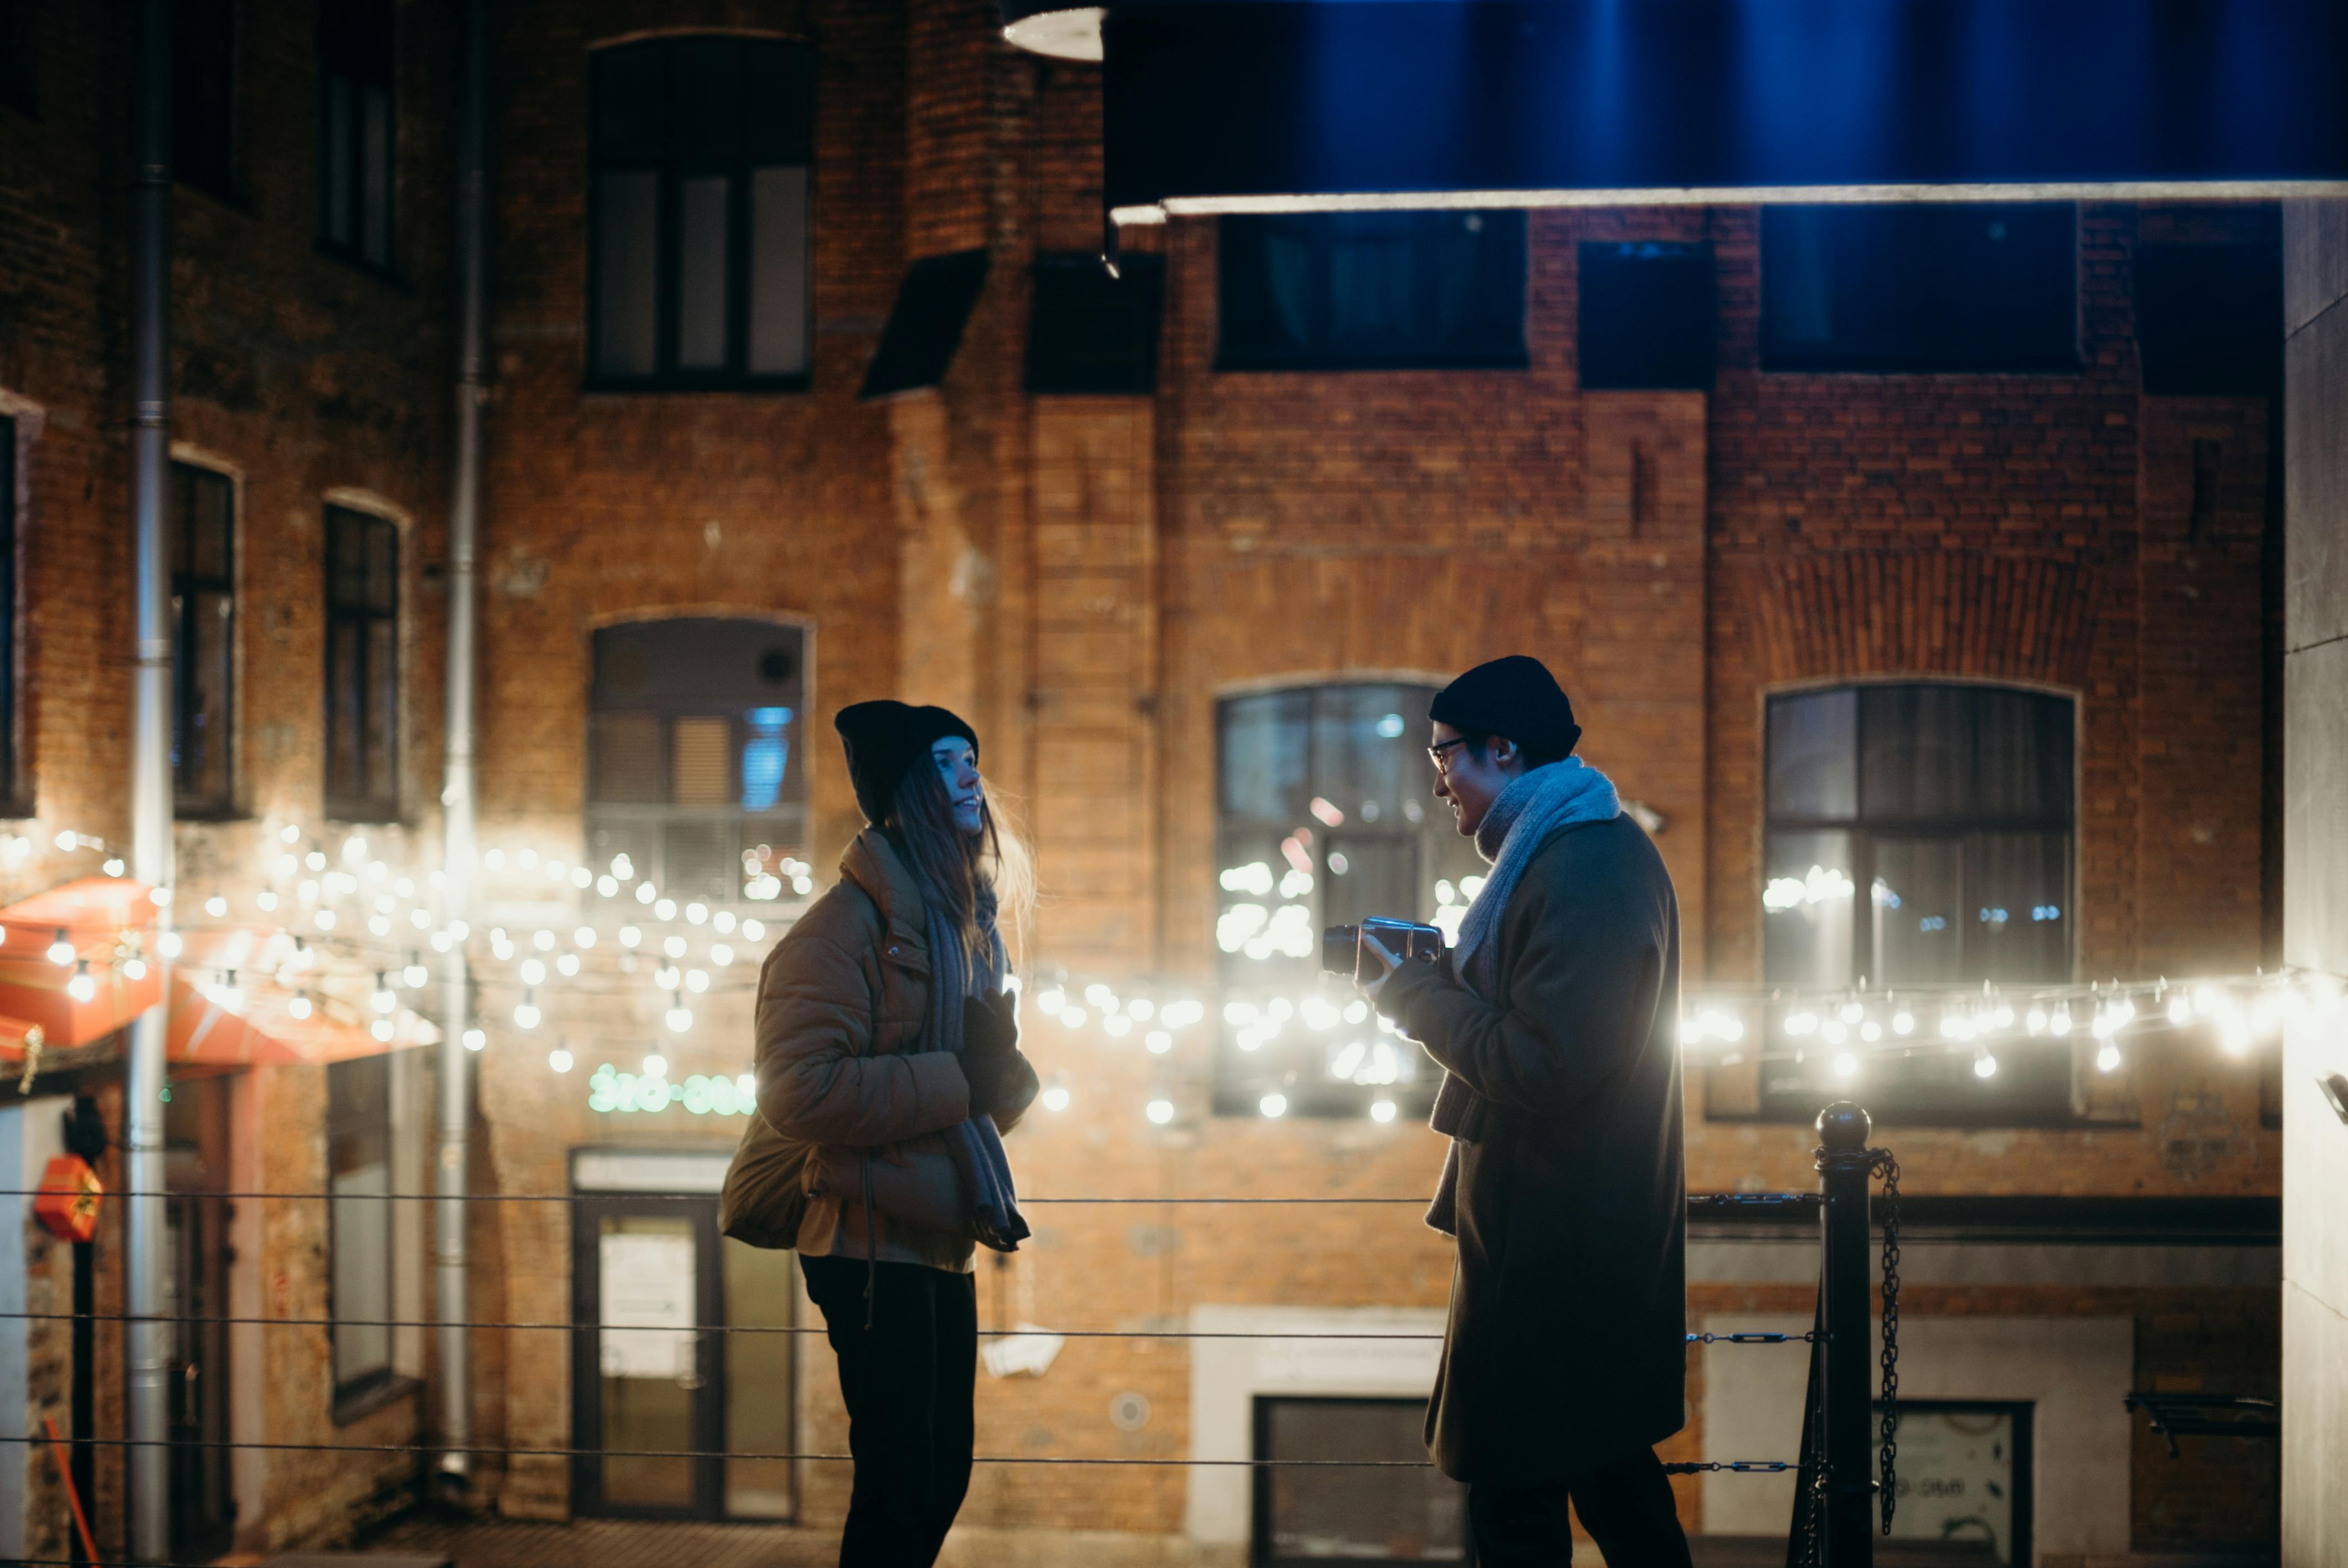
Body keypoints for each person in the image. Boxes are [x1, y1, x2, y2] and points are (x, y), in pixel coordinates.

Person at [1357, 655, 1691, 1567]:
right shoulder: (1573, 848)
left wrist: (1416, 994)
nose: (1437, 783)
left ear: (1503, 750)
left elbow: (1546, 1063)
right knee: (1607, 1482)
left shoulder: (1584, 866)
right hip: (1564, 1231)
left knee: (1521, 1501)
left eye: (1447, 756)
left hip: (1559, 1239)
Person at [719, 699, 1039, 1568]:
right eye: (944, 761)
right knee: (901, 1487)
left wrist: (1002, 1080)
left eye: (970, 756)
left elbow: (978, 1102)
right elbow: (799, 1091)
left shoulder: (965, 928)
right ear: (902, 791)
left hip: (941, 1228)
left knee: (942, 1478)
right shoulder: (838, 933)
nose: (969, 774)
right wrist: (961, 1079)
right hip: (863, 1238)